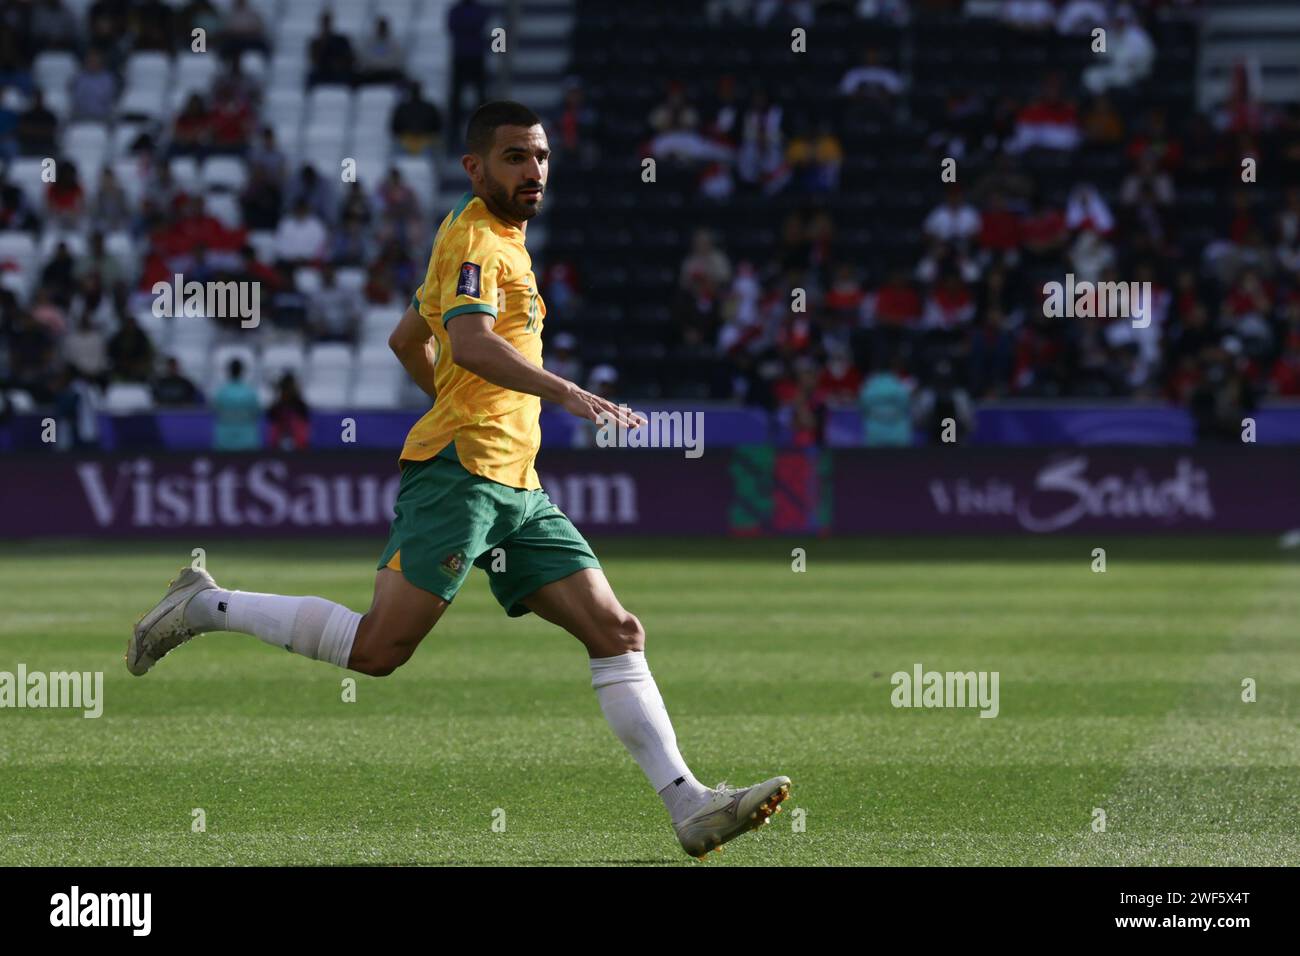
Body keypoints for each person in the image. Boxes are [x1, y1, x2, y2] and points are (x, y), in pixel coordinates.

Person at [128, 101, 790, 860]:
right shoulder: (478, 238)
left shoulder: (484, 236)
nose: (533, 170)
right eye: (514, 157)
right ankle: (204, 604)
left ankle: (689, 805)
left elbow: (409, 337)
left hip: (516, 484)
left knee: (616, 631)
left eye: (540, 156)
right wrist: (561, 392)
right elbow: (469, 342)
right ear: (475, 167)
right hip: (464, 475)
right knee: (379, 650)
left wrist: (453, 396)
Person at [211, 357, 261, 449]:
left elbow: (216, 411)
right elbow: (256, 413)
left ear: (229, 371)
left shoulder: (221, 393)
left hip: (225, 440)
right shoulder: (250, 392)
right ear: (242, 371)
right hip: (247, 440)